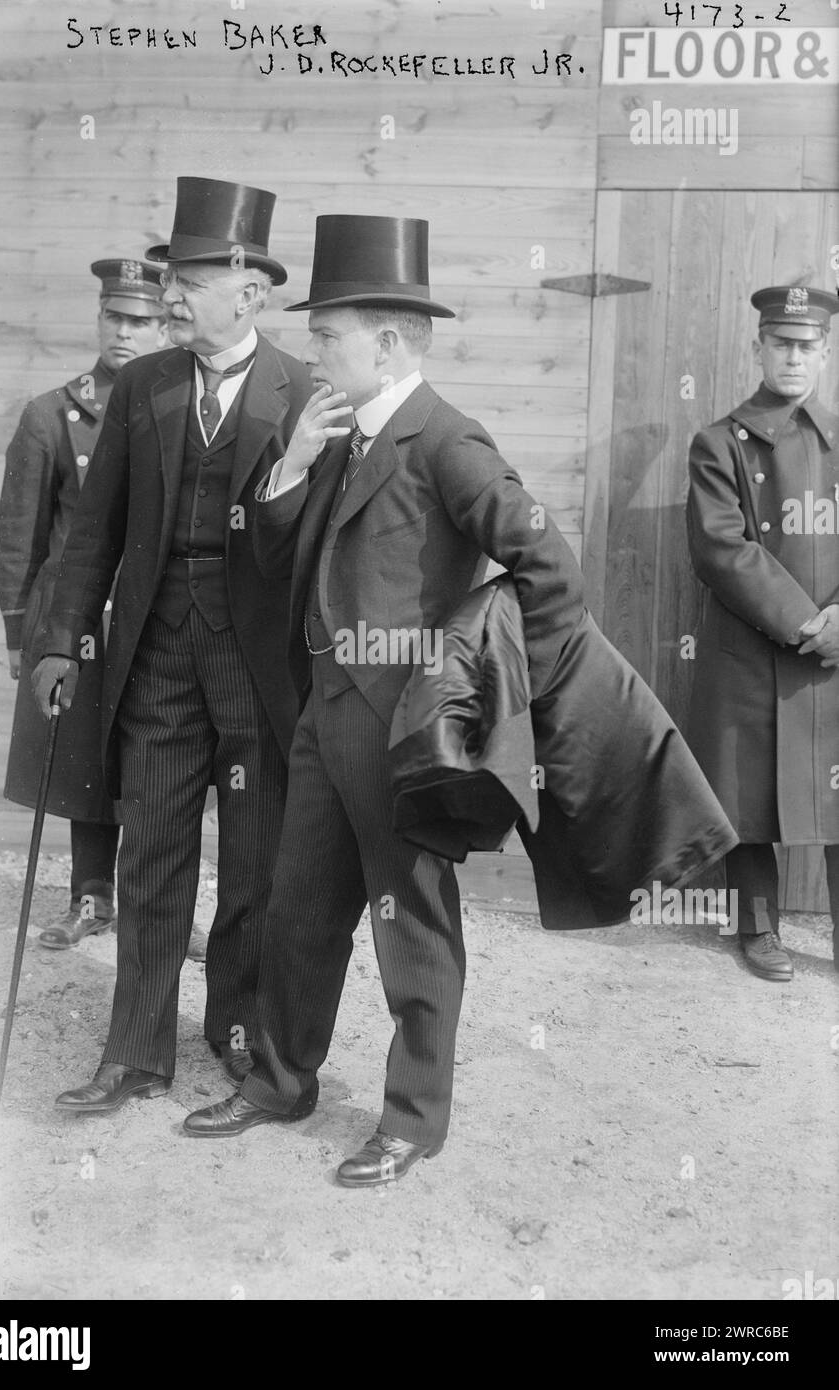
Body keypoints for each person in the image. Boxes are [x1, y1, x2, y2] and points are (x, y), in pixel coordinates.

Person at [181, 215, 734, 1185]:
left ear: (389, 343)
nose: (313, 353)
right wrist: (293, 468)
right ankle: (280, 1080)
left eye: (329, 336)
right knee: (297, 913)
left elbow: (548, 569)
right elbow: (270, 565)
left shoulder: (447, 440)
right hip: (322, 720)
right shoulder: (336, 434)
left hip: (404, 734)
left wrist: (482, 679)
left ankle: (412, 1118)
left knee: (413, 927)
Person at [31, 178, 311, 1112]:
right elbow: (91, 532)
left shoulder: (303, 390)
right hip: (153, 652)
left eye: (191, 280)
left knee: (256, 856)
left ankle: (237, 1031)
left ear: (251, 291)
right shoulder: (143, 385)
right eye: (170, 279)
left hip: (256, 665)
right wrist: (60, 642)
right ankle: (134, 1051)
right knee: (150, 844)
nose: (173, 297)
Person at [0, 258, 177, 950]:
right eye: (114, 317)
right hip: (79, 623)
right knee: (82, 761)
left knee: (158, 763)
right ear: (99, 319)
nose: (125, 333)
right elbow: (21, 539)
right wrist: (23, 635)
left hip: (155, 618)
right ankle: (91, 897)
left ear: (165, 326)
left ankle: (154, 905)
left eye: (142, 320)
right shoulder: (50, 415)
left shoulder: (174, 406)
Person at [686, 284, 839, 981]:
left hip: (835, 654)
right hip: (754, 646)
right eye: (782, 343)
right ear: (759, 348)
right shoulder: (718, 442)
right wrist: (804, 622)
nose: (794, 358)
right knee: (746, 792)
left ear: (827, 353)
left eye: (808, 346)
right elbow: (722, 548)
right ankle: (756, 928)